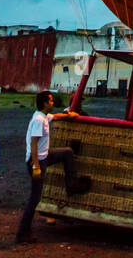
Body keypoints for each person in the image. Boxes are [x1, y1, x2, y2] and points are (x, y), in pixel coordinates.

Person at [15, 92, 92, 243]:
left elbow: (55, 117)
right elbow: (33, 143)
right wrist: (36, 166)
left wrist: (68, 115)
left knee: (67, 153)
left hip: (44, 157)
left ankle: (71, 185)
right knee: (35, 199)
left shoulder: (43, 116)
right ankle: (22, 233)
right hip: (37, 161)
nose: (52, 102)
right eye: (50, 100)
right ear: (44, 103)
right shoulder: (38, 120)